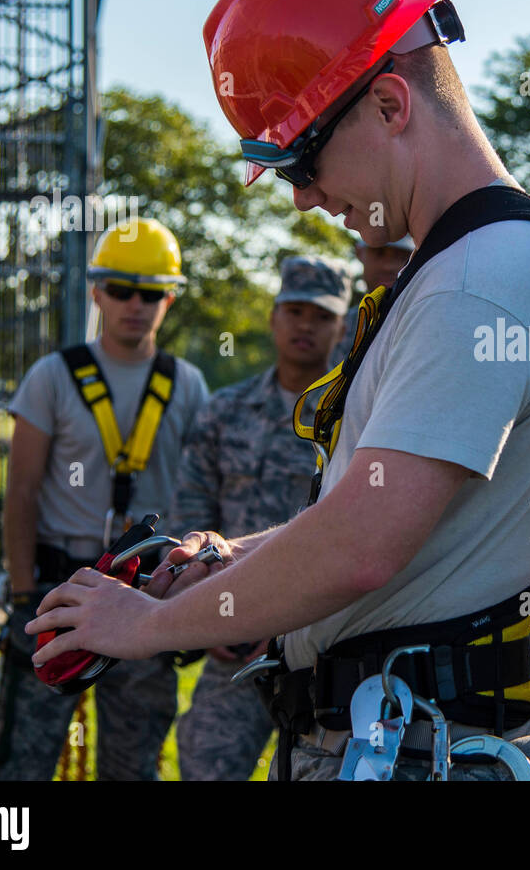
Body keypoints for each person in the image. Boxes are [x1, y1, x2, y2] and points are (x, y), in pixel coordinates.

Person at [29, 0, 530, 782]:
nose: (299, 193)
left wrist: (136, 626)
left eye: (301, 156)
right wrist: (238, 559)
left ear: (392, 104)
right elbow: (378, 513)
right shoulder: (473, 266)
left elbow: (363, 548)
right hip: (405, 737)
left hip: (418, 747)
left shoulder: (482, 280)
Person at [0, 217, 209, 780]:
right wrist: (22, 593)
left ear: (169, 298)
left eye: (151, 292)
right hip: (57, 588)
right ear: (96, 291)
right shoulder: (54, 377)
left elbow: (201, 492)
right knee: (22, 761)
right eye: (120, 289)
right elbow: (20, 491)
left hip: (142, 596)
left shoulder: (187, 385)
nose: (135, 304)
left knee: (131, 765)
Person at [172, 256, 351, 781]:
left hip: (327, 645)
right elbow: (191, 514)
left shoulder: (358, 411)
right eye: (294, 311)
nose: (305, 325)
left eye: (320, 315)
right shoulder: (225, 410)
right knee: (206, 762)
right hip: (234, 635)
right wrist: (208, 609)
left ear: (341, 327)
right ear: (273, 318)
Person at [330, 234, 414, 367]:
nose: (388, 266)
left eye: (401, 256)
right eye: (379, 253)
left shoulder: (421, 322)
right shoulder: (336, 327)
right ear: (359, 253)